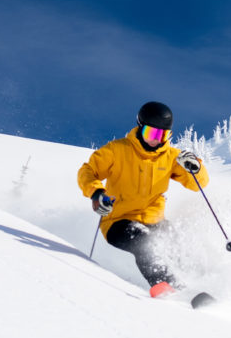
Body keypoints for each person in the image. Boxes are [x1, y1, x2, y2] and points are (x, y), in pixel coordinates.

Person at [78, 101, 209, 297]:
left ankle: (202, 283)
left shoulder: (172, 157)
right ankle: (172, 289)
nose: (156, 140)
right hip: (117, 222)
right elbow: (88, 171)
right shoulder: (117, 150)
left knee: (180, 242)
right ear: (140, 127)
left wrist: (196, 168)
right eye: (151, 133)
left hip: (155, 221)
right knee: (144, 242)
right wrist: (96, 193)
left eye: (162, 135)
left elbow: (199, 184)